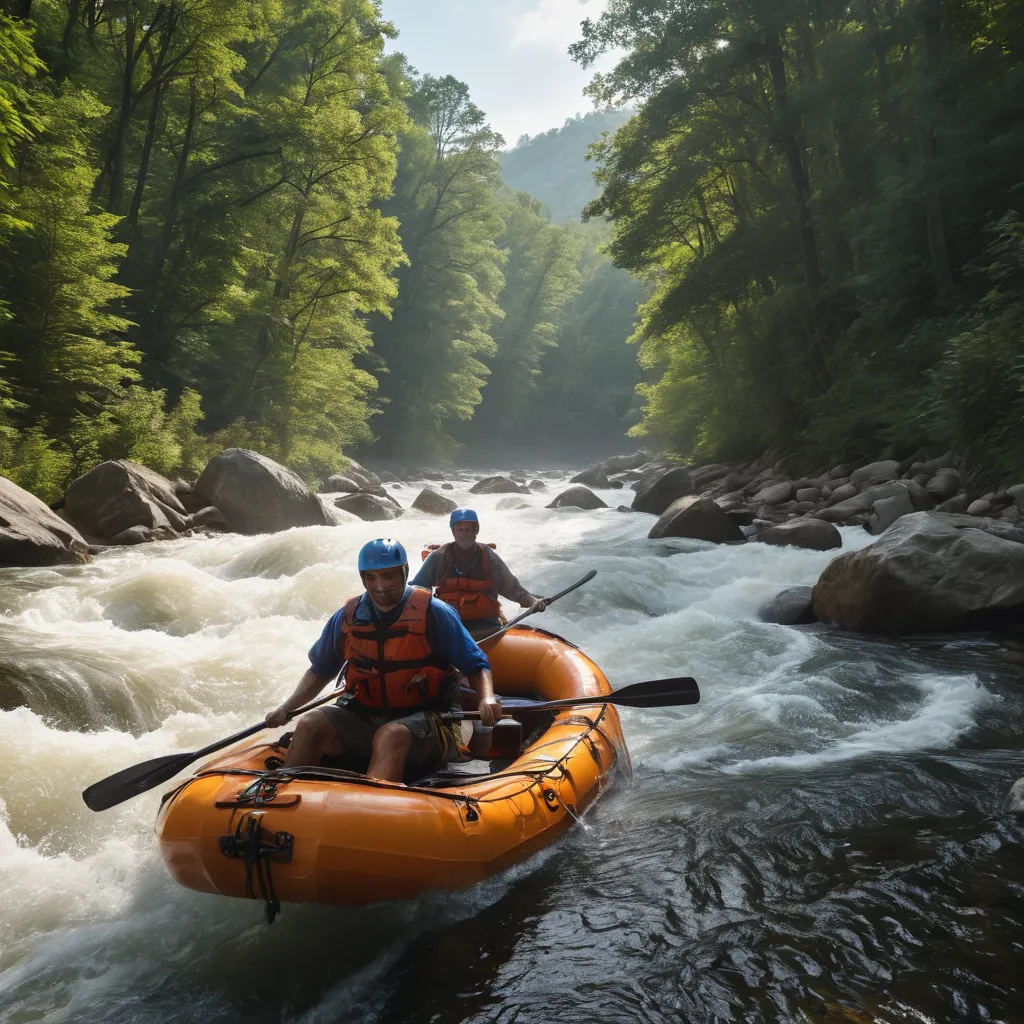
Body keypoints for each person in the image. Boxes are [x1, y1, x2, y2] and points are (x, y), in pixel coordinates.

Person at [264, 538, 500, 782]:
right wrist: (286, 708)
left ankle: (372, 808)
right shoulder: (349, 616)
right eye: (371, 578)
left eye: (388, 577)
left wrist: (487, 698)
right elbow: (320, 671)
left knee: (391, 734)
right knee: (310, 722)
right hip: (366, 716)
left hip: (432, 720)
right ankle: (279, 795)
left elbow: (477, 666)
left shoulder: (435, 613)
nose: (380, 586)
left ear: (404, 573)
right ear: (363, 579)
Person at [411, 508, 547, 641]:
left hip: (488, 629)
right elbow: (416, 591)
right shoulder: (439, 557)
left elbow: (513, 589)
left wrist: (533, 602)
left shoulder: (488, 556)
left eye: (469, 529)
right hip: (450, 629)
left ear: (476, 531)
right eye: (460, 529)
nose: (464, 533)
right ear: (453, 532)